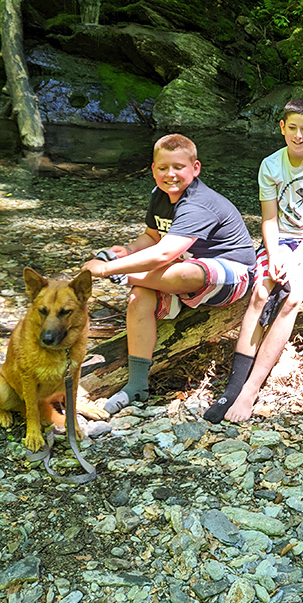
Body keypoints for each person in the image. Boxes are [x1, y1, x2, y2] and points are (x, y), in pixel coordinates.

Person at [82, 134, 256, 414]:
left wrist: (108, 269)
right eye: (163, 168)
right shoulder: (159, 195)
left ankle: (124, 277)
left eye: (178, 167)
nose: (170, 174)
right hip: (180, 269)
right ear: (153, 169)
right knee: (139, 297)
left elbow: (164, 254)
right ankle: (137, 385)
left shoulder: (198, 202)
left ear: (195, 168)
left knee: (184, 273)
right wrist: (127, 251)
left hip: (232, 274)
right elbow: (152, 237)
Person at [203, 98, 303, 424]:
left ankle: (250, 390)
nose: (298, 135)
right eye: (292, 128)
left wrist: (295, 259)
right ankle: (232, 389)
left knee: (291, 298)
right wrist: (276, 253)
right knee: (261, 293)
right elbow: (269, 219)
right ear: (281, 128)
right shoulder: (270, 165)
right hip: (280, 240)